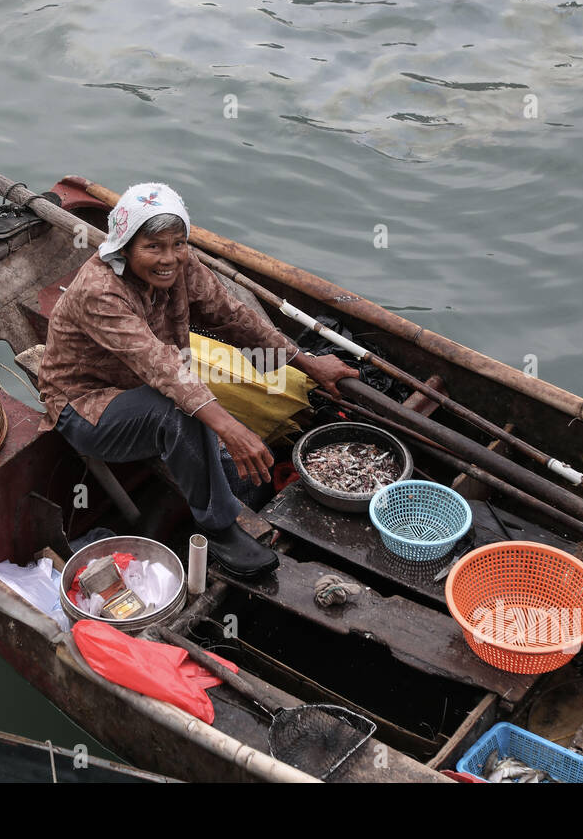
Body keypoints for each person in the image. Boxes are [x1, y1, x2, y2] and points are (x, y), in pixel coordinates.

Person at [37, 182, 358, 577]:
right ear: (125, 246)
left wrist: (305, 361)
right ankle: (219, 529)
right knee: (178, 409)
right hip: (88, 406)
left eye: (177, 244)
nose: (168, 258)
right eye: (152, 247)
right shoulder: (99, 291)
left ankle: (217, 490)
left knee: (189, 407)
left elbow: (232, 316)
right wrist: (230, 429)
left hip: (149, 384)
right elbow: (161, 367)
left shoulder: (182, 267)